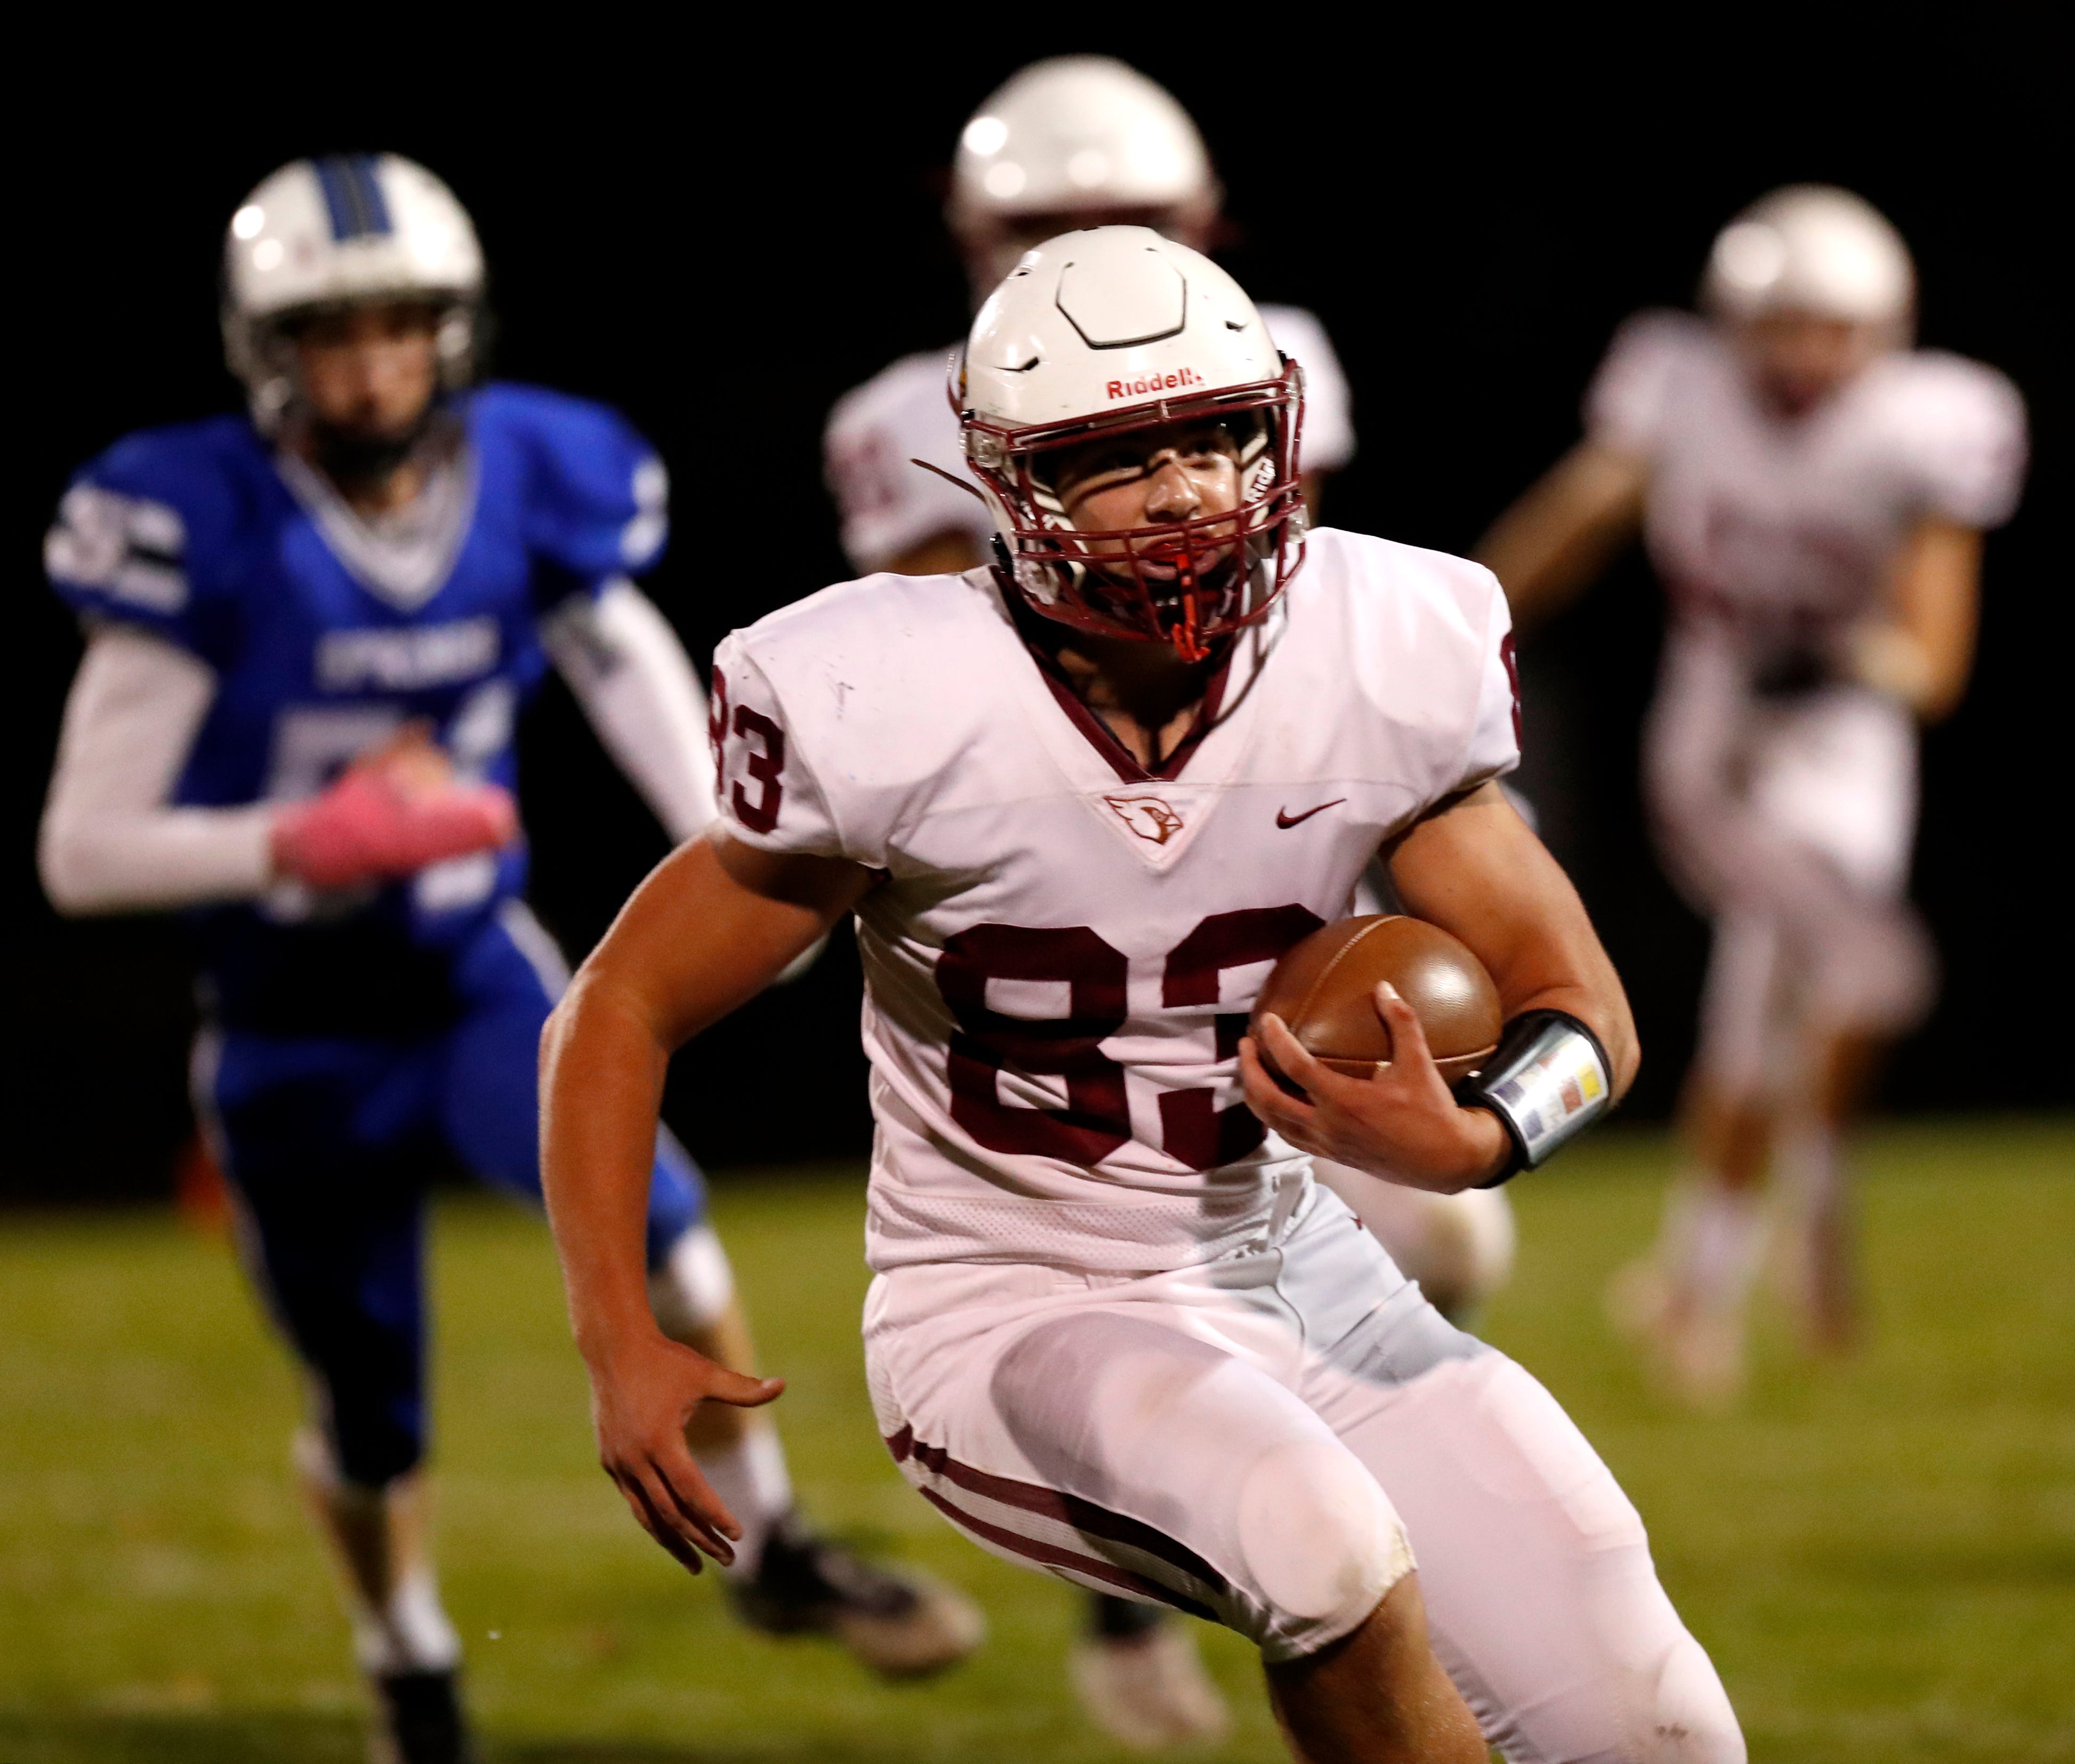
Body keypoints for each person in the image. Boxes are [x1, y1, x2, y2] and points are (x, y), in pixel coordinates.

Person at [542, 228, 1746, 1764]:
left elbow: (1583, 1010)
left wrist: (1487, 1130)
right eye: (1120, 457)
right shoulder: (886, 697)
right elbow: (616, 1006)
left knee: (1656, 1717)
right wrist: (616, 1333)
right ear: (1011, 483)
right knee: (1318, 1546)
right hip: (1008, 1303)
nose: (1183, 491)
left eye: (1216, 437)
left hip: (1293, 1268)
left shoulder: (1373, 645)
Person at [38, 153, 978, 1764]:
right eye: (332, 334)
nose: (370, 369)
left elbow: (635, 685)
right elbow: (83, 848)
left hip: (471, 975)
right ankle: (406, 1657)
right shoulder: (196, 513)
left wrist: (756, 861)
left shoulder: (536, 474)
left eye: (398, 327)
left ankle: (772, 1543)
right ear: (268, 349)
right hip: (286, 1024)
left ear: (452, 327)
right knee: (366, 1406)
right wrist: (308, 838)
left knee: (673, 1237)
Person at [825, 65, 1500, 1739]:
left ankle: (1280, 1517)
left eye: (1122, 217)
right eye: (1044, 224)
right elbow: (932, 680)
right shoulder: (906, 410)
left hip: (1264, 892)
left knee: (1448, 1234)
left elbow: (1295, 620)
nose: (1085, 248)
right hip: (1061, 940)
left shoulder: (1273, 354)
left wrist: (1425, 797)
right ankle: (1172, 1564)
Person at [1475, 185, 2028, 1406]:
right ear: (1731, 323)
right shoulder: (1680, 388)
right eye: (1779, 325)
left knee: (1767, 1010)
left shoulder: (1921, 425)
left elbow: (1931, 662)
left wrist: (1849, 658)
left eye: (1829, 328)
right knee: (1872, 972)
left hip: (1846, 738)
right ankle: (1787, 1236)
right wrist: (1466, 610)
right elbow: (1579, 514)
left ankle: (1708, 1271)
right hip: (1715, 738)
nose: (1801, 355)